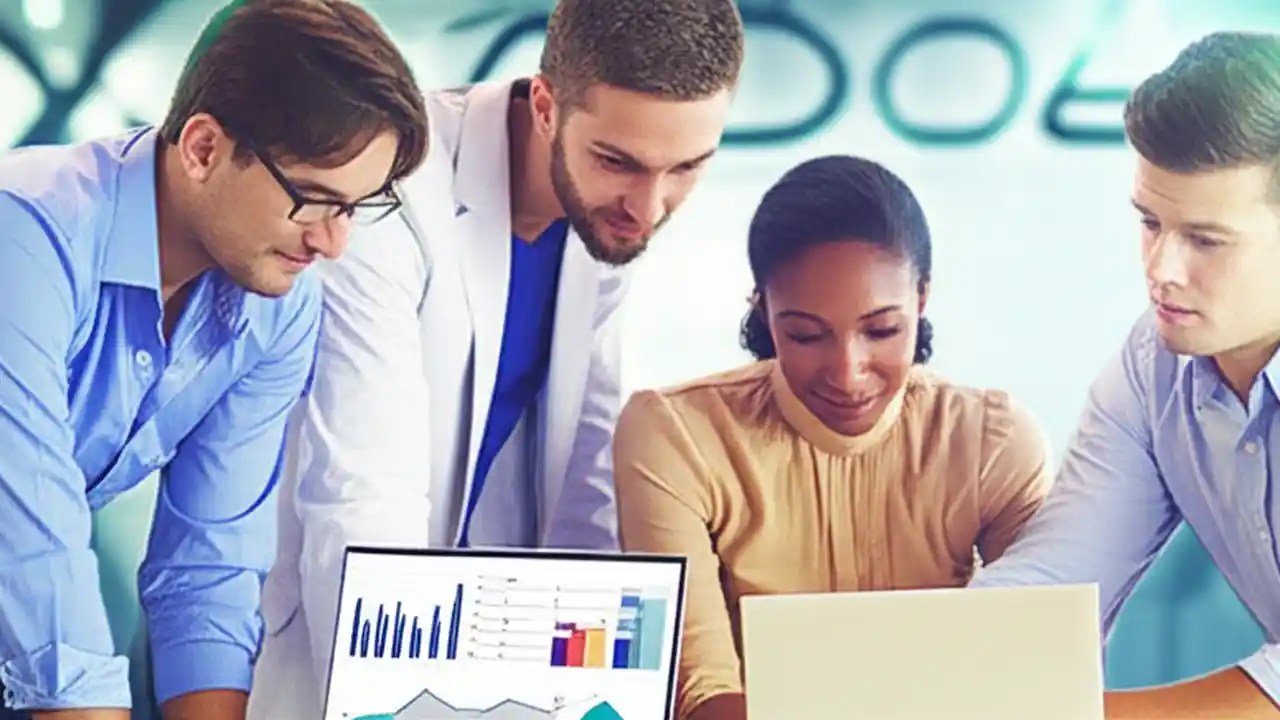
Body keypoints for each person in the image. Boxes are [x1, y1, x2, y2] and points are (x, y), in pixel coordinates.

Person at [247, 1, 745, 717]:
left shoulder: (611, 218)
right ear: (545, 106)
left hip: (485, 644)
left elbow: (586, 484)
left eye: (687, 167)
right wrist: (396, 701)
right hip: (333, 638)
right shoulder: (389, 182)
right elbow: (362, 495)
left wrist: (593, 696)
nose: (651, 207)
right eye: (617, 162)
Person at [0, 1, 427, 717]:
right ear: (202, 148)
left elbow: (208, 571)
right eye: (313, 200)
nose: (333, 244)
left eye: (354, 207)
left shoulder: (278, 306)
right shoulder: (24, 235)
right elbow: (31, 540)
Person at [611, 155, 1054, 720]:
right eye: (805, 335)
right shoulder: (677, 436)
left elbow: (1038, 663)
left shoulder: (992, 441)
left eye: (882, 330)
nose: (848, 375)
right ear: (762, 310)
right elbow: (698, 690)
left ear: (921, 298)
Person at [970, 31, 1280, 718]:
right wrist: (913, 680)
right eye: (1150, 223)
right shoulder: (1153, 365)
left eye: (1205, 240)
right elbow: (1052, 590)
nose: (1161, 269)